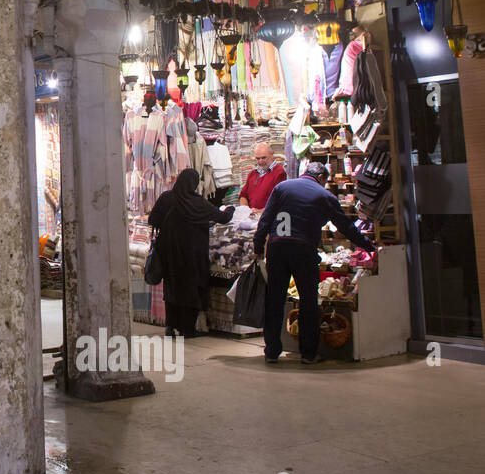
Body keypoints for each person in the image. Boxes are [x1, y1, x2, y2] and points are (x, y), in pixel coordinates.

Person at [253, 162, 375, 364]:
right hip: (303, 250)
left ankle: (272, 351)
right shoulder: (324, 196)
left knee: (274, 300)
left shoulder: (281, 188)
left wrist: (258, 246)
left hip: (277, 248)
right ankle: (308, 354)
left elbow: (265, 219)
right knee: (308, 300)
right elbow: (345, 225)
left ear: (304, 173)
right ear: (322, 178)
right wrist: (367, 245)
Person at [148, 168, 236, 338]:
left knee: (172, 289)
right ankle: (187, 329)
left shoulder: (167, 198)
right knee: (192, 289)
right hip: (193, 256)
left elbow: (153, 219)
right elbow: (223, 218)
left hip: (170, 254)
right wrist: (230, 209)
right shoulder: (198, 203)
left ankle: (170, 326)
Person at [239, 142, 286, 211]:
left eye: (263, 158)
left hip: (268, 218)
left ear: (272, 155)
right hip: (252, 218)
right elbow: (243, 195)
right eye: (258, 158)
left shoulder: (279, 173)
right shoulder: (252, 173)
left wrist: (261, 211)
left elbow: (279, 201)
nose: (260, 161)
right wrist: (245, 210)